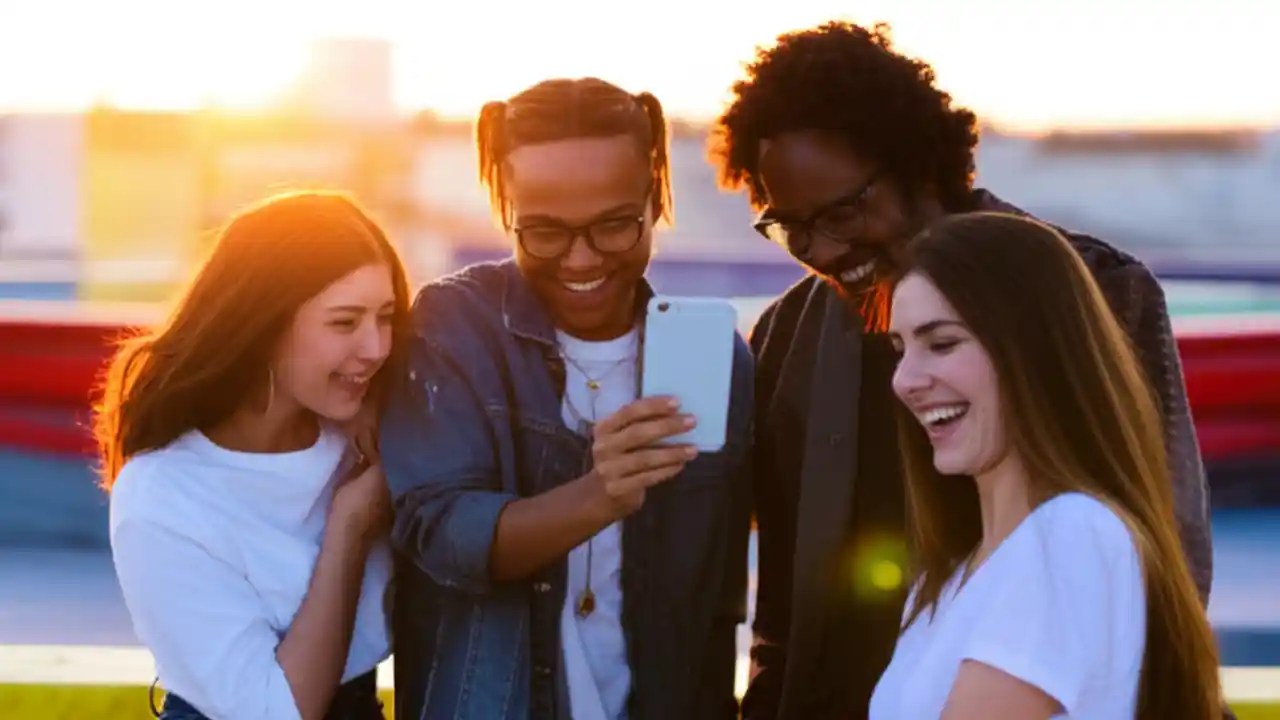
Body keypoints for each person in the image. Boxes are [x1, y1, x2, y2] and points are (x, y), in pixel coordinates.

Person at [707, 21, 1215, 718]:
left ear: (918, 164)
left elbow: (1168, 551)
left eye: (845, 211)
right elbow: (783, 615)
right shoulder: (788, 333)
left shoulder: (1095, 288)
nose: (823, 248)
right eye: (792, 227)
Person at [379, 77, 753, 720]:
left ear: (655, 194)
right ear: (506, 210)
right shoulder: (455, 326)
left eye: (614, 226)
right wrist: (597, 496)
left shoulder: (719, 358)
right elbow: (439, 534)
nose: (581, 259)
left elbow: (715, 603)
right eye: (544, 232)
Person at [871, 211, 1221, 718]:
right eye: (899, 349)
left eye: (942, 343)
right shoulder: (950, 578)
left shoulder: (1070, 536)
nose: (904, 380)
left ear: (1034, 351)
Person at [99, 191, 410, 720]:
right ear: (263, 325)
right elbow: (274, 712)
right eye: (344, 322)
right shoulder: (163, 495)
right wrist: (352, 525)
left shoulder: (365, 434)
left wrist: (386, 406)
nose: (377, 347)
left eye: (385, 317)